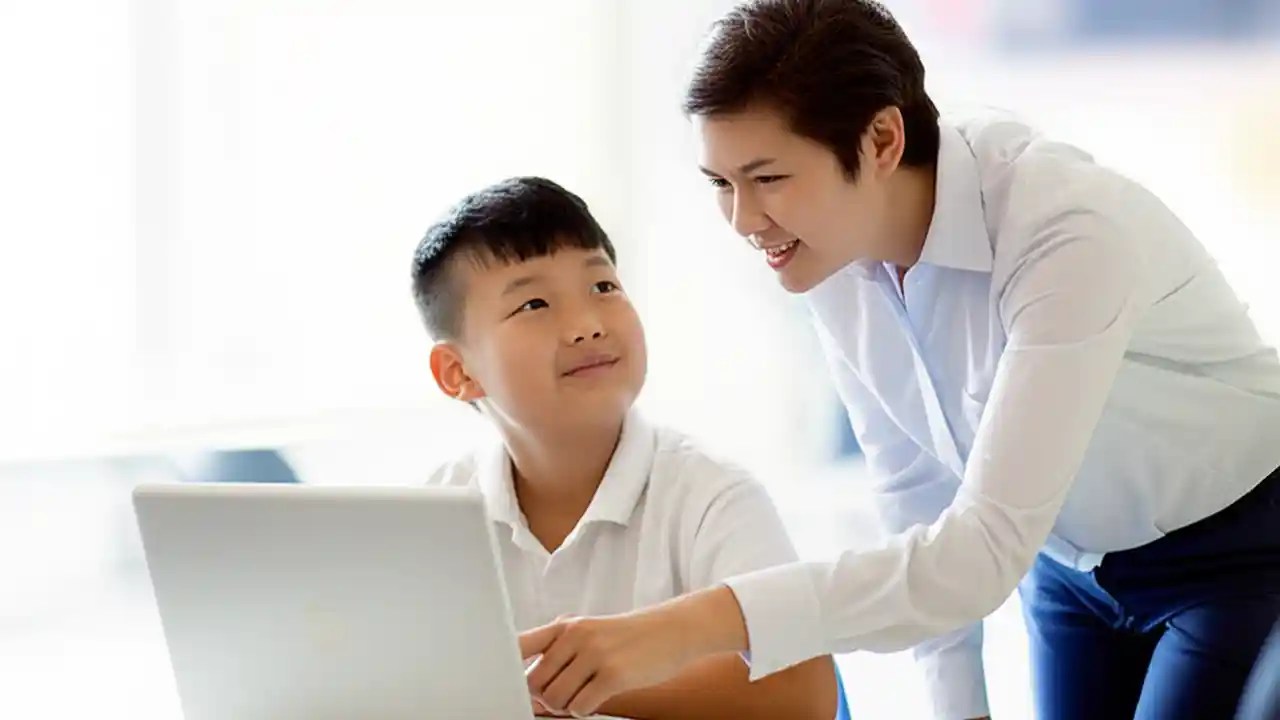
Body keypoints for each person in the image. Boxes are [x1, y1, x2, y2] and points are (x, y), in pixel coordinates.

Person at [517, 2, 1280, 719]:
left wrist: (683, 629)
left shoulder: (1063, 230)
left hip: (1231, 550)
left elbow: (977, 551)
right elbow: (917, 495)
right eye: (721, 184)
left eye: (768, 178)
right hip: (1064, 567)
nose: (745, 221)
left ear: (882, 141)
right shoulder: (828, 251)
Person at [410, 176, 843, 719]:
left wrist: (572, 684)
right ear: (458, 372)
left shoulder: (710, 495)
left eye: (603, 288)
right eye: (535, 303)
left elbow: (803, 695)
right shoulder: (436, 510)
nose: (588, 325)